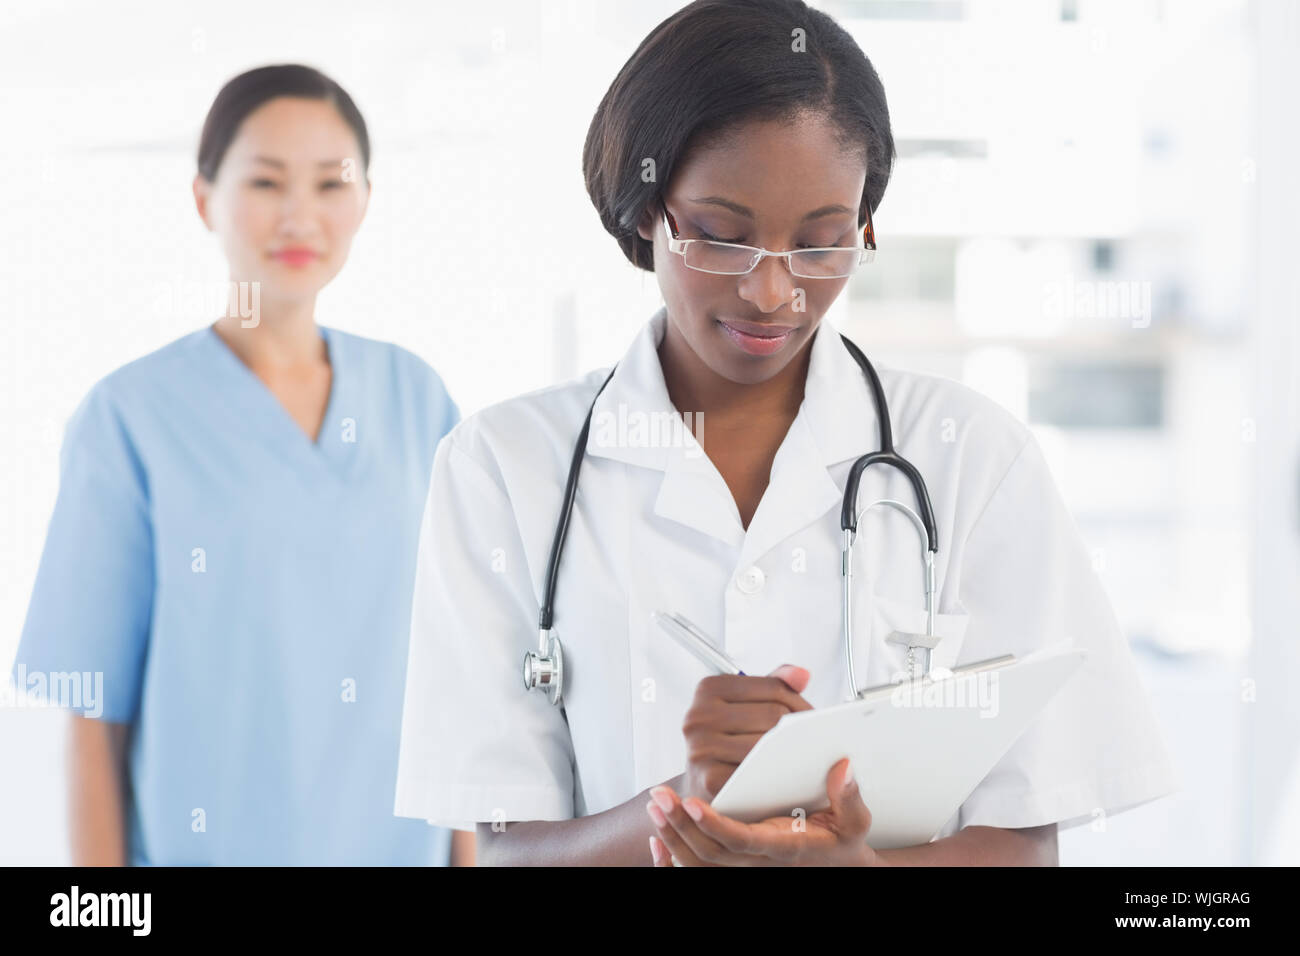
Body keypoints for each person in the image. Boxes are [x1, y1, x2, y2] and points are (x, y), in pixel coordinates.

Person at [393, 0, 1177, 866]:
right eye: (724, 239)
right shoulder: (503, 468)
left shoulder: (970, 457)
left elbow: (1024, 841)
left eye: (822, 244)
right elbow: (507, 853)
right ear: (648, 210)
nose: (774, 294)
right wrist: (692, 805)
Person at [13, 64, 470, 866]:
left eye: (332, 183)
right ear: (204, 199)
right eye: (265, 181)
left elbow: (457, 684)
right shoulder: (129, 420)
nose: (300, 214)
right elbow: (93, 721)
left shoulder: (416, 398)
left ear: (365, 200)